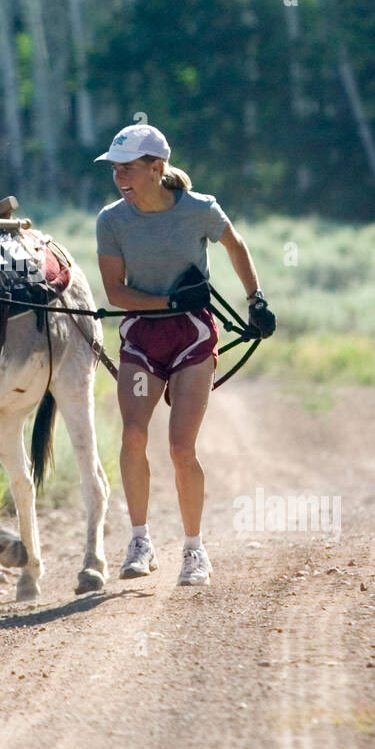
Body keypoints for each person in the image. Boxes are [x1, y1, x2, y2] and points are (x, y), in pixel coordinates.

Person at [95, 123, 275, 586]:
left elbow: (235, 245)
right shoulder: (111, 220)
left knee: (180, 447)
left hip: (192, 337)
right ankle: (140, 541)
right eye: (115, 170)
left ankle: (194, 552)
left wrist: (256, 300)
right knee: (133, 435)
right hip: (141, 338)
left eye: (129, 169)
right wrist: (163, 303)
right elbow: (116, 291)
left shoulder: (200, 210)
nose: (120, 179)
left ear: (157, 168)